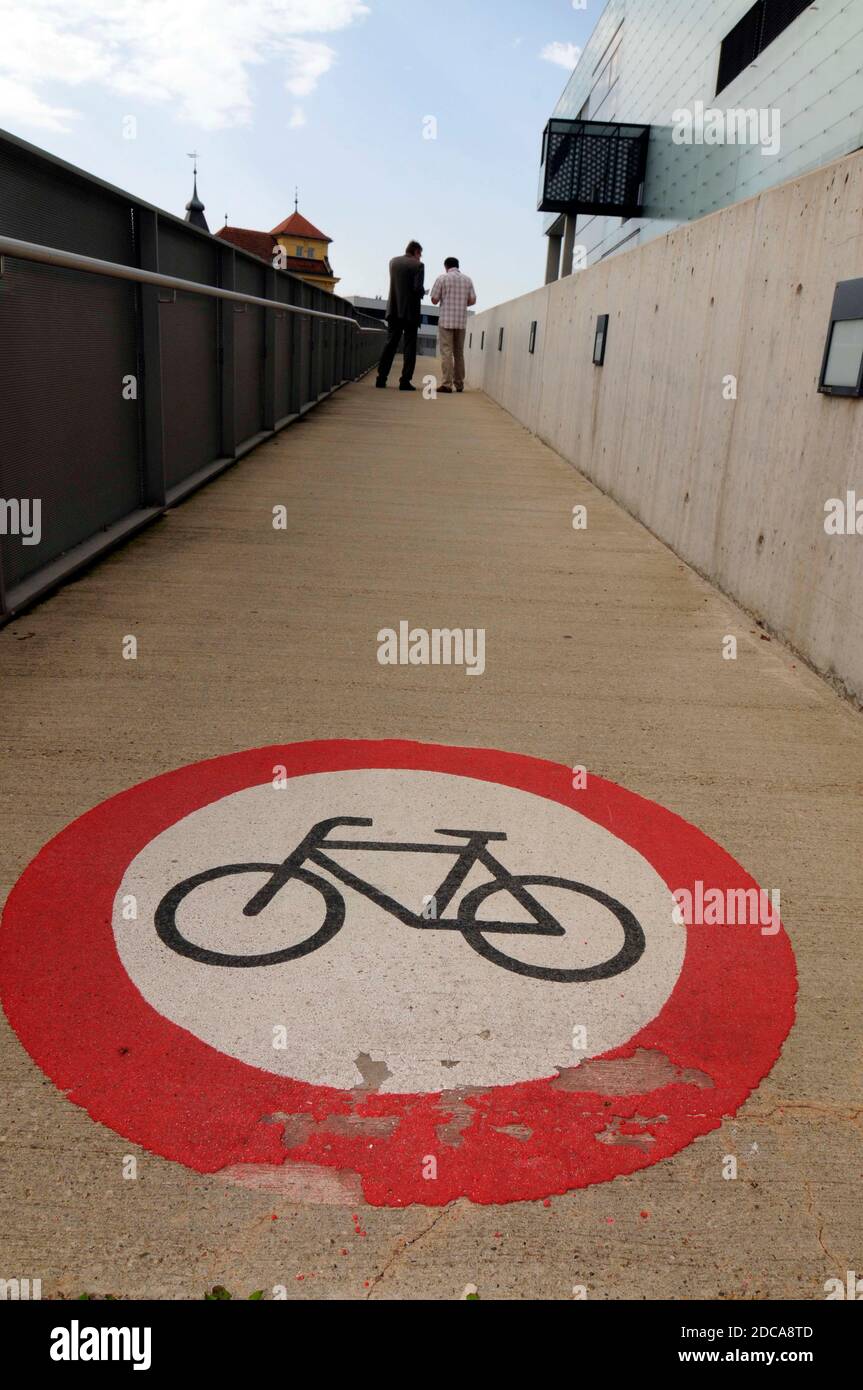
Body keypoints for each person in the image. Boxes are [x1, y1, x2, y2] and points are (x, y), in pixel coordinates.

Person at [376, 240, 426, 391]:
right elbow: (417, 288)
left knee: (390, 344)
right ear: (416, 252)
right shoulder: (418, 266)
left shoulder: (393, 262)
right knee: (410, 347)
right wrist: (423, 292)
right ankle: (404, 381)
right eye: (420, 254)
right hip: (410, 312)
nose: (420, 258)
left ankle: (381, 378)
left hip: (394, 309)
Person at [430, 257, 476, 393]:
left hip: (446, 321)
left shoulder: (442, 279)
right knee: (459, 353)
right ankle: (459, 384)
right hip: (461, 321)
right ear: (457, 266)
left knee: (447, 353)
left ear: (446, 266)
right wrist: (462, 303)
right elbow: (473, 300)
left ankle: (446, 384)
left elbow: (434, 299)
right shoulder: (467, 280)